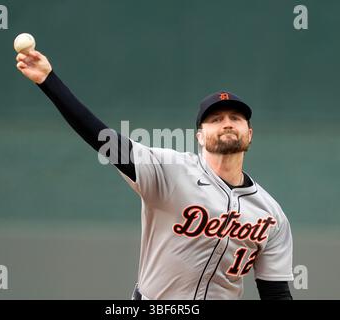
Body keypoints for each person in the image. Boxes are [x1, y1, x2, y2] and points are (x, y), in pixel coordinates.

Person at [15, 50, 294, 300]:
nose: (227, 124)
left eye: (236, 118)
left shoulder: (271, 215)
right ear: (199, 136)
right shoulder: (170, 171)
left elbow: (275, 293)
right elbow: (103, 139)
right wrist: (48, 81)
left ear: (249, 133)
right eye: (216, 119)